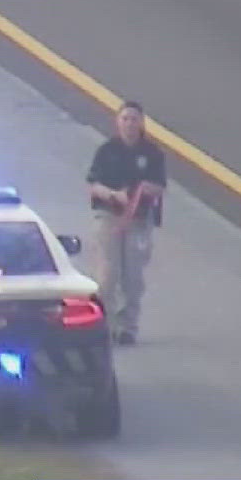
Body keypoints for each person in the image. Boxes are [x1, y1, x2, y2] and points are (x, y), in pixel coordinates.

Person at [85, 100, 166, 345]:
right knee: (108, 275)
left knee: (133, 276)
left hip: (139, 220)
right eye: (125, 119)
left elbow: (160, 186)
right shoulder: (106, 151)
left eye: (134, 119)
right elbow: (93, 185)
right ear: (117, 121)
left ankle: (128, 326)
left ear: (141, 123)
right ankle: (104, 325)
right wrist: (113, 195)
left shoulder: (152, 153)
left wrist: (142, 191)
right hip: (109, 217)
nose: (129, 123)